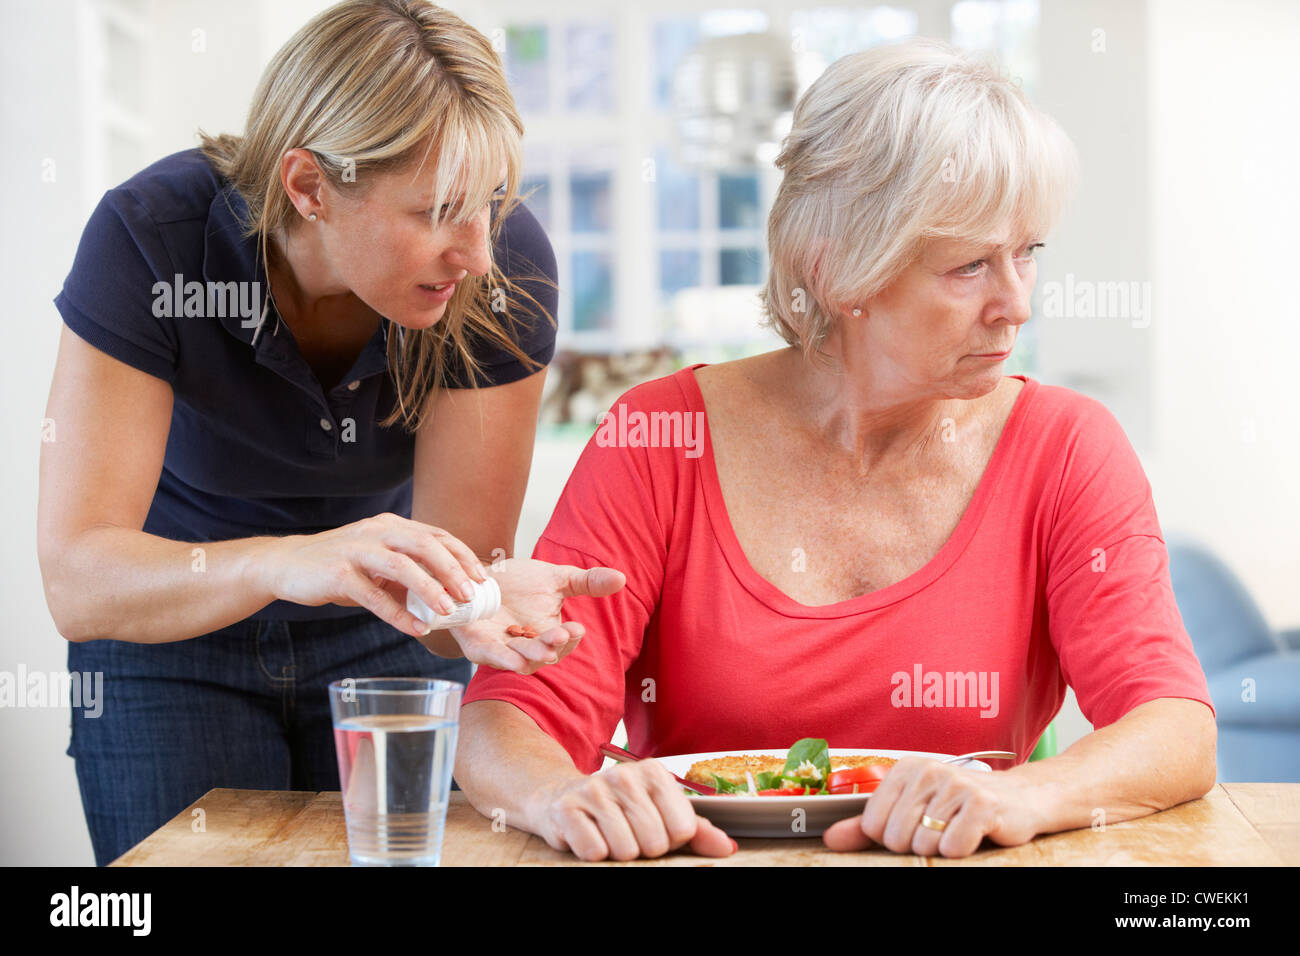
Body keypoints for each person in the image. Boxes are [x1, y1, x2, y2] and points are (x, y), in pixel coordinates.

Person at [454, 38, 1217, 862]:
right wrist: (562, 797)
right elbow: (507, 720)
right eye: (969, 266)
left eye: (1027, 253)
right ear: (839, 271)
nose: (1015, 305)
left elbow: (1174, 727)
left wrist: (1026, 792)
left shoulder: (1067, 448)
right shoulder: (660, 436)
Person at [37, 0, 623, 867]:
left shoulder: (501, 273)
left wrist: (484, 601)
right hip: (172, 644)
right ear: (309, 186)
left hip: (384, 635)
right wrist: (287, 560)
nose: (480, 254)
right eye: (437, 210)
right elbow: (79, 580)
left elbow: (441, 615)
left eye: (490, 206)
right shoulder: (149, 238)